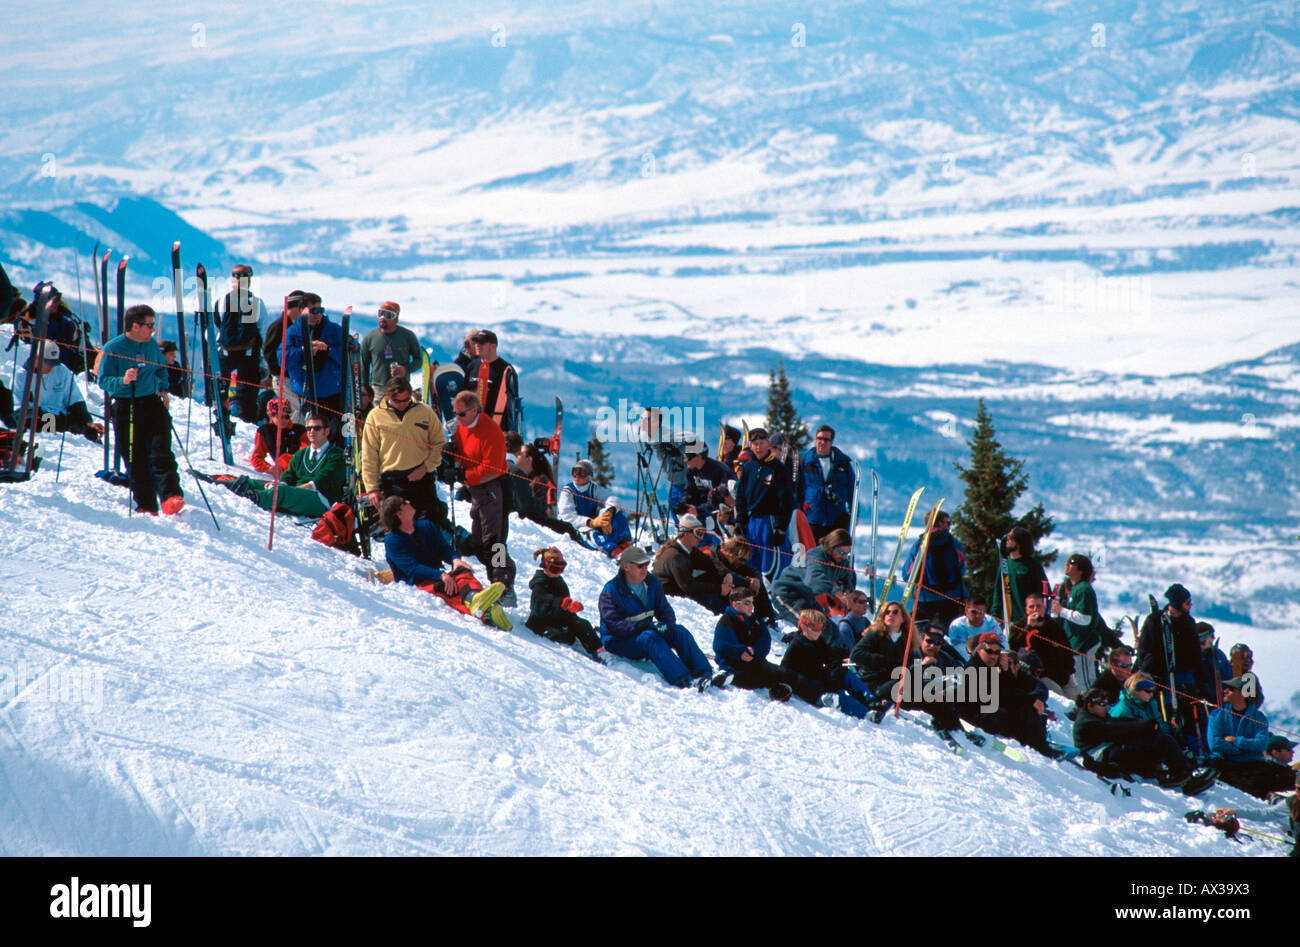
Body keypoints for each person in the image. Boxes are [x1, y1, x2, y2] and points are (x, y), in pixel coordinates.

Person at [97, 306, 184, 516]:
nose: (153, 330)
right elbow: (103, 380)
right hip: (126, 405)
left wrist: (163, 386)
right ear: (135, 326)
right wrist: (123, 380)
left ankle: (170, 496)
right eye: (149, 325)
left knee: (161, 450)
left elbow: (161, 368)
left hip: (151, 402)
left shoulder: (151, 345)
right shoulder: (113, 348)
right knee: (134, 457)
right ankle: (146, 504)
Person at [379, 496, 509, 628]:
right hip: (417, 583)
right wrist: (440, 575)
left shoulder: (425, 526)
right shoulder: (392, 541)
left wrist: (455, 559)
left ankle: (476, 598)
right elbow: (412, 568)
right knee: (448, 589)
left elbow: (443, 548)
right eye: (404, 502)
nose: (409, 501)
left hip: (436, 575)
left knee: (463, 572)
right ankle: (487, 613)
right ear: (399, 513)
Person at [597, 545, 713, 690]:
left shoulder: (651, 582)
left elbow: (665, 611)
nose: (644, 569)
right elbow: (614, 625)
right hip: (618, 641)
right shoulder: (611, 591)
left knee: (678, 631)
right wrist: (644, 626)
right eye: (640, 565)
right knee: (649, 637)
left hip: (643, 633)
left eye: (646, 564)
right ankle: (684, 680)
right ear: (626, 566)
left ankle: (705, 673)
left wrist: (667, 626)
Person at [449, 390, 517, 606]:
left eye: (461, 414)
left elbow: (493, 469)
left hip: (492, 488)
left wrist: (465, 476)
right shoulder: (464, 426)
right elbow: (463, 450)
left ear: (474, 410)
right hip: (477, 489)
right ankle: (496, 580)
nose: (457, 418)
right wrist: (450, 455)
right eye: (455, 413)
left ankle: (504, 584)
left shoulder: (490, 431)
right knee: (480, 541)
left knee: (493, 539)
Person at [361, 376, 448, 527]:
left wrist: (426, 467)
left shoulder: (424, 411)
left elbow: (439, 444)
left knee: (428, 526)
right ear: (388, 397)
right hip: (392, 482)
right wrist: (372, 489)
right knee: (399, 528)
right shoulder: (375, 416)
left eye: (406, 399)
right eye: (398, 401)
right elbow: (369, 455)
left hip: (422, 478)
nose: (403, 404)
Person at [227, 412, 345, 517]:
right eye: (309, 428)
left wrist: (285, 488)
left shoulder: (336, 454)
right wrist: (281, 483)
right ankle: (224, 485)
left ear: (327, 431)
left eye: (317, 428)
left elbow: (320, 481)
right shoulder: (301, 454)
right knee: (255, 483)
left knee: (282, 491)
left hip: (320, 499)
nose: (312, 432)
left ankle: (252, 497)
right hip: (296, 494)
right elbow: (289, 475)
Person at [1136, 583, 1209, 749]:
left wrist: (1200, 681)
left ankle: (1194, 751)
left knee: (1190, 716)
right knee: (1166, 715)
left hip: (1185, 678)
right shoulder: (1156, 621)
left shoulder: (1188, 622)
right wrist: (1150, 672)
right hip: (1163, 677)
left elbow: (1195, 655)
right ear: (1176, 603)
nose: (1190, 606)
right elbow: (1144, 649)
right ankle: (1171, 747)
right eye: (1187, 602)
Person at [1072, 688, 1193, 787]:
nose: (1107, 707)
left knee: (1152, 738)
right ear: (1090, 706)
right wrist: (1144, 726)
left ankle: (1172, 770)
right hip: (1101, 758)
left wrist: (1144, 724)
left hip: (1108, 752)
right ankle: (1181, 773)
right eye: (1102, 704)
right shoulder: (1087, 723)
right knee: (1154, 741)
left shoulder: (1096, 717)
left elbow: (1118, 723)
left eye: (1107, 703)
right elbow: (1115, 731)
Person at [962, 633, 1054, 756]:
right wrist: (1030, 699)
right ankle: (1036, 744)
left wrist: (1005, 672)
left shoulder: (992, 666)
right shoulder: (975, 667)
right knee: (1015, 709)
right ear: (979, 650)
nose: (993, 656)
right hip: (974, 713)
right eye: (989, 651)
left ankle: (1038, 742)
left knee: (1027, 708)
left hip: (987, 707)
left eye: (997, 653)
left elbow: (1010, 688)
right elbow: (1001, 693)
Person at [780, 610, 873, 718]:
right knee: (838, 696)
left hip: (820, 679)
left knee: (845, 674)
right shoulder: (796, 645)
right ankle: (866, 715)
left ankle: (871, 700)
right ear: (804, 627)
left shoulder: (819, 641)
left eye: (822, 627)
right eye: (816, 627)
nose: (819, 631)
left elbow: (831, 658)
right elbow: (784, 670)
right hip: (811, 687)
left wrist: (835, 674)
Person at [711, 587, 796, 701]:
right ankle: (727, 677)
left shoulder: (755, 620)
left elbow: (765, 641)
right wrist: (740, 652)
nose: (751, 607)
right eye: (747, 603)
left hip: (755, 662)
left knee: (783, 673)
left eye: (752, 602)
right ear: (735, 605)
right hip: (734, 665)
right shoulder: (727, 621)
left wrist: (754, 651)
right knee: (752, 680)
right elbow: (720, 645)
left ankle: (783, 688)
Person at [11, 341, 102, 442]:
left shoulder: (61, 371)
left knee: (83, 426)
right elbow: (19, 410)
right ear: (36, 358)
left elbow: (75, 400)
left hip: (62, 419)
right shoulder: (21, 377)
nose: (51, 367)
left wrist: (87, 423)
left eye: (53, 363)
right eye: (48, 363)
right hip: (40, 421)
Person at [733, 427, 795, 576]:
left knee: (773, 569)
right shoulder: (748, 467)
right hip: (752, 523)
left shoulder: (779, 469)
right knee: (750, 567)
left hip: (770, 523)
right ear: (750, 445)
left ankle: (776, 596)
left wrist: (780, 528)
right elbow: (740, 496)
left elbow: (786, 501)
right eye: (755, 444)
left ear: (768, 443)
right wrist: (739, 522)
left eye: (761, 443)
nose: (758, 447)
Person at [524, 547, 603, 661]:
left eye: (560, 570)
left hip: (559, 617)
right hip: (541, 621)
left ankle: (598, 650)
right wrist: (561, 603)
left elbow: (565, 600)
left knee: (582, 624)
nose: (558, 574)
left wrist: (570, 608)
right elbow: (541, 606)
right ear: (545, 566)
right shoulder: (539, 585)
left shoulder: (559, 582)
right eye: (554, 569)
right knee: (562, 635)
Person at [285, 296, 345, 437]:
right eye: (314, 310)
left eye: (320, 310)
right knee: (313, 433)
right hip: (307, 391)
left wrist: (328, 350)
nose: (318, 314)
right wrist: (303, 351)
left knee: (335, 433)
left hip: (332, 391)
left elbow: (346, 356)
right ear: (302, 310)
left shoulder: (334, 330)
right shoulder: (293, 332)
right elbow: (284, 359)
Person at [900, 509, 967, 632]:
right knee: (950, 630)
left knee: (924, 632)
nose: (949, 525)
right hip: (951, 595)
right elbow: (962, 565)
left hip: (926, 596)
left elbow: (908, 572)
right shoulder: (953, 542)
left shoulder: (920, 544)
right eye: (947, 522)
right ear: (940, 523)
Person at [1208, 675, 1276, 795]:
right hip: (1226, 765)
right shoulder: (1216, 715)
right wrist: (1246, 750)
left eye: (1230, 688)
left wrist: (1236, 741)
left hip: (1253, 767)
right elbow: (1215, 744)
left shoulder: (1259, 717)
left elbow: (1260, 745)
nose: (1225, 690)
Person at [770, 528, 856, 622]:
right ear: (831, 547)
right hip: (786, 594)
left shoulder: (841, 561)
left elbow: (848, 576)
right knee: (812, 626)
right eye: (841, 552)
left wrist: (847, 591)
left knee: (830, 631)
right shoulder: (814, 555)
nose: (844, 557)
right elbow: (815, 580)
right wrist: (837, 592)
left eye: (846, 553)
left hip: (806, 597)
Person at [652, 513, 731, 614]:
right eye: (698, 533)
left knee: (714, 578)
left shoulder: (690, 550)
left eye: (702, 533)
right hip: (671, 597)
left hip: (682, 588)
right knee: (710, 596)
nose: (701, 538)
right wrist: (719, 589)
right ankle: (725, 614)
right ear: (686, 533)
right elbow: (688, 586)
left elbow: (710, 562)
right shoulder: (675, 556)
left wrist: (726, 573)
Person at [214, 263, 264, 423]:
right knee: (247, 397)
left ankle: (221, 418)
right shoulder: (255, 302)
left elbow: (217, 326)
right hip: (249, 355)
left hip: (225, 353)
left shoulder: (221, 301)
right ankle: (246, 424)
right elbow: (263, 329)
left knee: (221, 390)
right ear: (249, 279)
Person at [558, 459, 632, 558]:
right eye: (574, 472)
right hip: (578, 528)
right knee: (593, 535)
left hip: (594, 522)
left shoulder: (593, 488)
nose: (577, 476)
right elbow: (566, 516)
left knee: (618, 516)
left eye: (581, 473)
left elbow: (612, 497)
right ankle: (614, 551)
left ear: (589, 476)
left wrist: (609, 512)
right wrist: (590, 522)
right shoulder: (568, 491)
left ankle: (625, 544)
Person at [1052, 553, 1106, 690]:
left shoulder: (1084, 589)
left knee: (1086, 683)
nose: (1067, 565)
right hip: (1076, 643)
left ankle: (1092, 707)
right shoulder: (1076, 588)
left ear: (1081, 570)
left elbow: (1085, 618)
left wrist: (1061, 611)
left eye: (1072, 562)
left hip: (1084, 643)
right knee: (1078, 682)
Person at [796, 424, 856, 542]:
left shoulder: (842, 463)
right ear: (815, 439)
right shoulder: (805, 463)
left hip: (837, 519)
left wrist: (855, 514)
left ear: (832, 441)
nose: (822, 442)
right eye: (819, 439)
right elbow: (798, 489)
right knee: (813, 555)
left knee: (837, 556)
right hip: (813, 519)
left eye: (826, 439)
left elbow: (852, 490)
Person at [849, 601, 916, 700]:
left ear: (903, 618)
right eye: (887, 612)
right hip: (873, 683)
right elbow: (856, 654)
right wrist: (884, 661)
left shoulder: (906, 640)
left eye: (895, 612)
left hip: (893, 681)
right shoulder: (875, 634)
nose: (890, 615)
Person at [1016, 593, 1076, 699]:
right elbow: (1015, 646)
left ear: (1044, 607)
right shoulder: (1019, 626)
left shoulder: (1054, 626)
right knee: (1063, 700)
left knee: (1075, 700)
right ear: (1026, 609)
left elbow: (1067, 650)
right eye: (1031, 607)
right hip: (1041, 676)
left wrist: (1068, 671)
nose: (1035, 609)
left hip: (1062, 676)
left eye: (1039, 606)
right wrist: (1028, 627)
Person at [990, 526, 1049, 628]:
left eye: (1011, 538)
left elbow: (1044, 591)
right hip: (1008, 621)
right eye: (1007, 538)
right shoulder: (1005, 564)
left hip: (1029, 621)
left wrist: (1040, 615)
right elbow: (998, 592)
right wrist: (995, 614)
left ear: (1019, 542)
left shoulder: (1032, 565)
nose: (1007, 540)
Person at [462, 329, 519, 432]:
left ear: (493, 346)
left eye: (482, 342)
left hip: (496, 429)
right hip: (472, 428)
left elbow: (512, 405)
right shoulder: (472, 366)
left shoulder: (506, 370)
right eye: (476, 342)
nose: (477, 345)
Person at [261, 290, 306, 418]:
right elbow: (268, 352)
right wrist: (281, 370)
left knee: (300, 409)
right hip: (283, 379)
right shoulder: (279, 326)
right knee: (297, 410)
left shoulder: (298, 326)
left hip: (295, 378)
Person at [359, 301, 423, 391]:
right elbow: (363, 366)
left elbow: (419, 360)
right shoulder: (370, 338)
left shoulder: (407, 336)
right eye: (380, 314)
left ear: (396, 319)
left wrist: (405, 369)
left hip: (401, 387)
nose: (382, 318)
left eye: (388, 315)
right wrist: (364, 389)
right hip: (378, 389)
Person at [716, 538, 778, 628]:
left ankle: (766, 615)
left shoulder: (733, 561)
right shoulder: (713, 555)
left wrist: (756, 581)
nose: (743, 563)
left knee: (753, 580)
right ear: (730, 553)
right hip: (711, 592)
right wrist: (749, 583)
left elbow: (752, 570)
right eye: (741, 559)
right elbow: (725, 573)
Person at [249, 397, 306, 475]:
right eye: (279, 417)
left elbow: (306, 453)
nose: (284, 420)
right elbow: (256, 457)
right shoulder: (265, 431)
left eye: (287, 417)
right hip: (284, 473)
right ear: (270, 416)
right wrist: (269, 468)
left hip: (300, 469)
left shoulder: (300, 430)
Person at [1197, 623, 1231, 707]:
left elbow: (1229, 675)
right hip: (1203, 705)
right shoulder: (1194, 658)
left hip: (1224, 703)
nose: (1213, 638)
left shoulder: (1218, 655)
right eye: (1211, 636)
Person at [1228, 642, 1265, 708]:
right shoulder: (1225, 674)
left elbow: (1258, 700)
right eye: (1242, 657)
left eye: (1249, 657)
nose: (1247, 660)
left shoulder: (1250, 678)